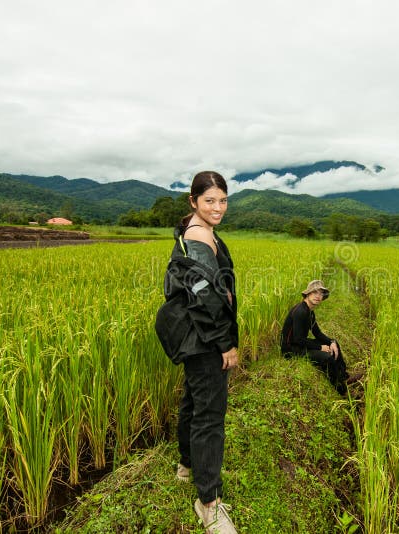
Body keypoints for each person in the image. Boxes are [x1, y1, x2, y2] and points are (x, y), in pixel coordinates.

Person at [155, 171, 238, 534]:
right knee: (210, 415)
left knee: (193, 399)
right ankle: (208, 503)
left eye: (222, 200)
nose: (218, 207)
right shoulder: (199, 236)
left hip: (193, 335)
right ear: (193, 202)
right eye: (210, 201)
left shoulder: (189, 229)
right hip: (206, 337)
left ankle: (186, 465)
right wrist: (227, 344)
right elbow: (207, 298)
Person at [280, 280, 352, 395]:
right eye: (315, 293)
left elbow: (317, 333)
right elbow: (297, 339)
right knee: (327, 358)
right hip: (291, 349)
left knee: (334, 344)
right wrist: (320, 347)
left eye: (321, 294)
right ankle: (342, 391)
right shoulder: (300, 311)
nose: (318, 296)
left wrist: (331, 342)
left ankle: (343, 376)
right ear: (308, 294)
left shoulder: (310, 312)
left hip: (300, 344)